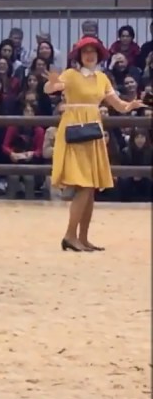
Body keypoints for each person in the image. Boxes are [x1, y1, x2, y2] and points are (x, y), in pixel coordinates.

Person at [44, 36, 147, 251]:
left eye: (92, 51)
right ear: (79, 56)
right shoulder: (71, 75)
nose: (89, 55)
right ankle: (70, 236)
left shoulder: (102, 78)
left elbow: (118, 105)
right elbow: (50, 88)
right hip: (74, 129)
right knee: (84, 185)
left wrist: (131, 105)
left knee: (90, 187)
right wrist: (52, 83)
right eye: (85, 52)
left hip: (92, 131)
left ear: (98, 55)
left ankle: (82, 238)